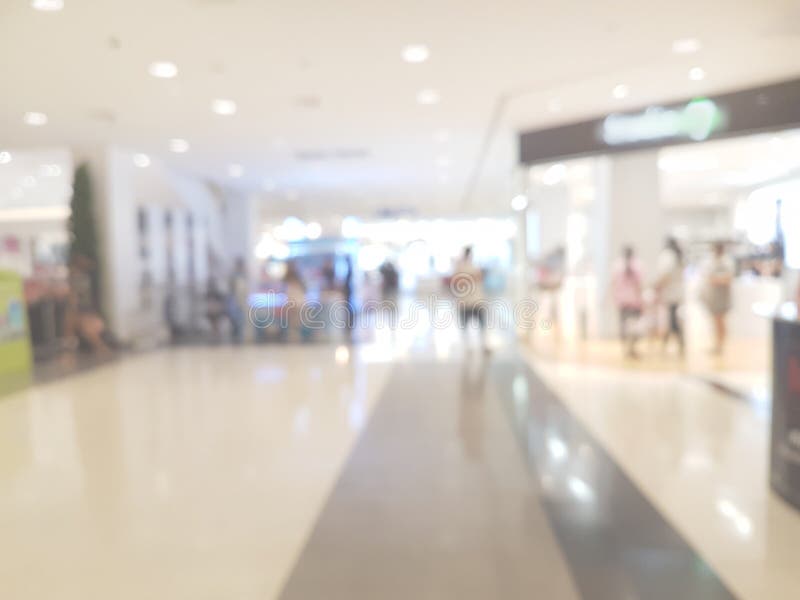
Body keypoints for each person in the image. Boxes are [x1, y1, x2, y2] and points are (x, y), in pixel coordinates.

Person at [65, 254, 110, 355]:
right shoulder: (85, 279)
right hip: (87, 313)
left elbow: (74, 300)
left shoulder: (80, 280)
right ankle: (70, 347)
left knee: (75, 324)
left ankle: (101, 348)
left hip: (87, 313)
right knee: (72, 322)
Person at [454, 246, 489, 353]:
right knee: (464, 326)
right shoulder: (460, 267)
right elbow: (458, 282)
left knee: (482, 325)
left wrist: (472, 277)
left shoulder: (475, 266)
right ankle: (467, 347)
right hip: (465, 302)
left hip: (477, 301)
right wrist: (473, 278)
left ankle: (484, 345)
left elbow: (480, 278)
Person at [655, 237, 685, 356]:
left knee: (671, 319)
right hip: (677, 292)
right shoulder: (678, 256)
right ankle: (668, 343)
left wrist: (657, 286)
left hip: (670, 292)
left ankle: (672, 342)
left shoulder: (667, 256)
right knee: (671, 318)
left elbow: (665, 275)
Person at [612, 246, 644, 359]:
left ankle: (625, 348)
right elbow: (639, 285)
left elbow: (613, 283)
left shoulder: (617, 265)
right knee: (635, 326)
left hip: (622, 301)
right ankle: (632, 348)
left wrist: (615, 297)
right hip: (634, 301)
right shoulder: (638, 265)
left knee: (624, 326)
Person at [703, 241, 734, 355]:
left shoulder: (727, 262)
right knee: (716, 322)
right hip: (714, 296)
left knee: (721, 321)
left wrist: (716, 280)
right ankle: (717, 344)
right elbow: (708, 277)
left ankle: (720, 345)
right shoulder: (712, 261)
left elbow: (728, 278)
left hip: (723, 297)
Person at [283, 260, 307, 341]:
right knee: (292, 322)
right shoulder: (287, 278)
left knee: (296, 321)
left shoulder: (298, 278)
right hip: (292, 302)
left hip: (297, 302)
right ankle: (293, 335)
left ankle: (295, 335)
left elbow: (302, 292)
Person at [228, 257, 249, 343]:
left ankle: (240, 338)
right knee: (234, 321)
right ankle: (235, 338)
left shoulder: (244, 276)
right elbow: (232, 289)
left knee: (241, 321)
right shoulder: (233, 276)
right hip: (234, 301)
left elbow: (245, 291)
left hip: (242, 302)